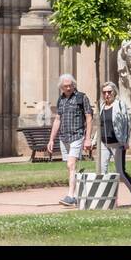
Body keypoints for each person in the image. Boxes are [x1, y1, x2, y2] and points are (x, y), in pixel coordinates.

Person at [47, 73, 93, 207]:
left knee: (71, 165)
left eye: (70, 86)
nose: (68, 88)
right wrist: (51, 139)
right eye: (65, 86)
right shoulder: (60, 100)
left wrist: (88, 138)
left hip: (77, 135)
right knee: (70, 168)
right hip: (63, 137)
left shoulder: (81, 97)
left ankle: (71, 196)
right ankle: (77, 194)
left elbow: (89, 117)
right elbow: (57, 119)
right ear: (61, 87)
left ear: (74, 85)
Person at [99, 82, 131, 206]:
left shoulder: (120, 105)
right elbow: (100, 124)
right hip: (104, 143)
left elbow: (126, 123)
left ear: (114, 92)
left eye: (109, 92)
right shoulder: (101, 106)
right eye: (104, 92)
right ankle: (109, 199)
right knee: (102, 171)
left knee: (120, 173)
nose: (107, 95)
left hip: (117, 143)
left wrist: (126, 141)